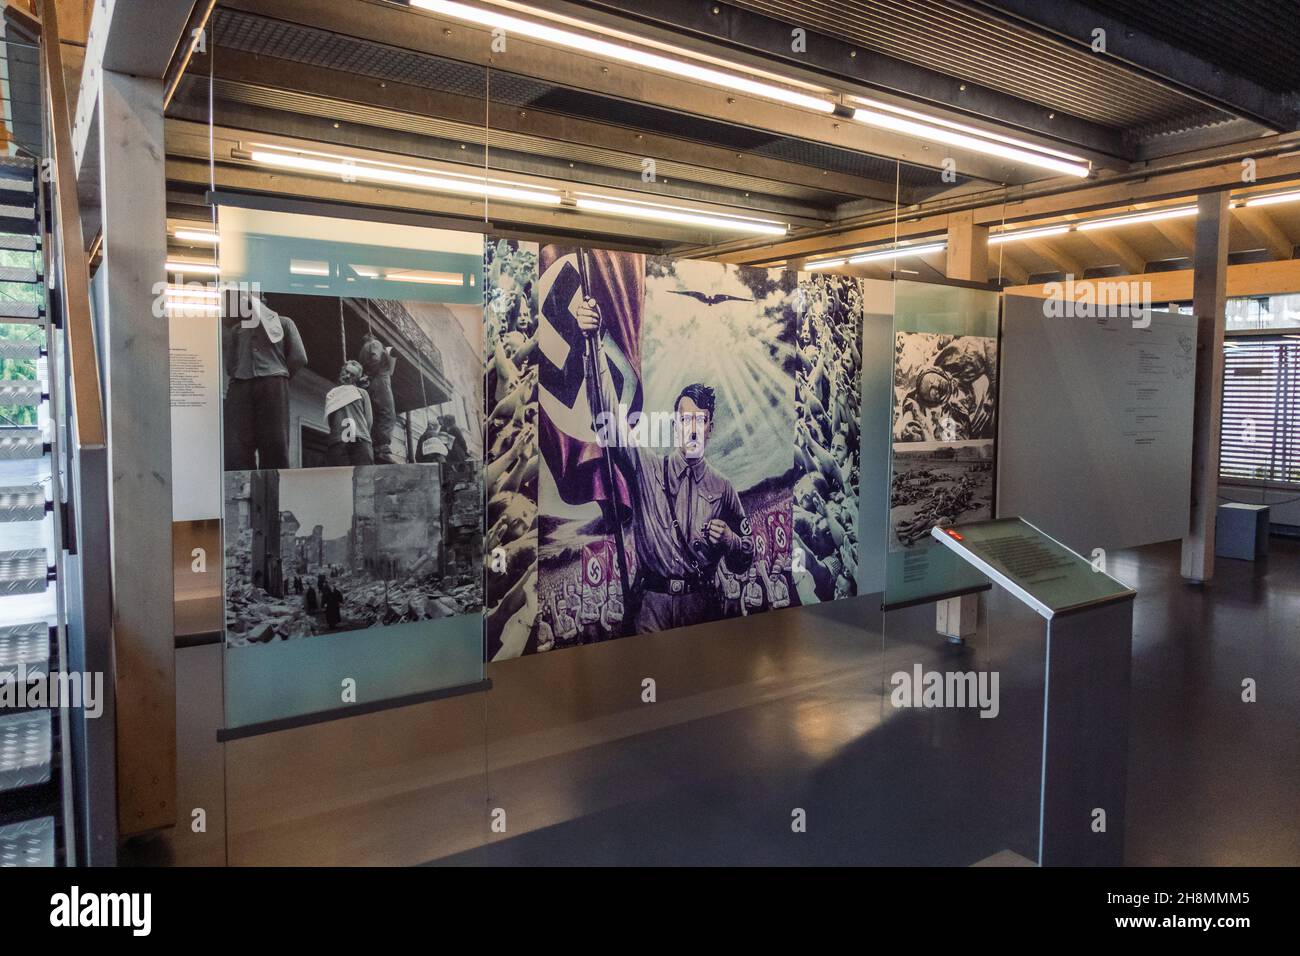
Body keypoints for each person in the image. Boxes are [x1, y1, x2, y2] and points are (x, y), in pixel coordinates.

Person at [575, 297, 754, 633]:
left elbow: (745, 558)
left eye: (700, 420)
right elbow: (608, 417)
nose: (693, 428)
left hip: (702, 606)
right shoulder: (647, 469)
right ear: (675, 424)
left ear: (710, 427)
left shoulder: (722, 487)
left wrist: (729, 538)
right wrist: (594, 345)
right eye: (685, 419)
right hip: (652, 608)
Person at [223, 293, 308, 470]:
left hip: (273, 385)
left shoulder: (284, 322)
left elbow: (299, 357)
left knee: (275, 440)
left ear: (264, 301)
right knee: (237, 443)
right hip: (240, 385)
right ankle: (242, 485)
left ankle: (273, 488)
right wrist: (241, 374)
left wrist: (279, 376)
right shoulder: (237, 329)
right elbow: (230, 364)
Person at [358, 333, 398, 464]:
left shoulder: (362, 351)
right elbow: (375, 358)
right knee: (388, 414)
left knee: (376, 415)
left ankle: (376, 448)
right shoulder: (375, 344)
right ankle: (382, 449)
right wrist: (386, 355)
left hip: (373, 383)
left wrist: (368, 375)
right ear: (372, 336)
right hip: (381, 381)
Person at [325, 361, 375, 466]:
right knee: (340, 478)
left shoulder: (362, 393)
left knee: (363, 478)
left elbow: (368, 421)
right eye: (346, 371)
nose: (347, 376)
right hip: (338, 442)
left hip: (360, 441)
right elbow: (332, 421)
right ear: (341, 370)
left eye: (352, 375)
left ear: (356, 379)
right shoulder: (331, 394)